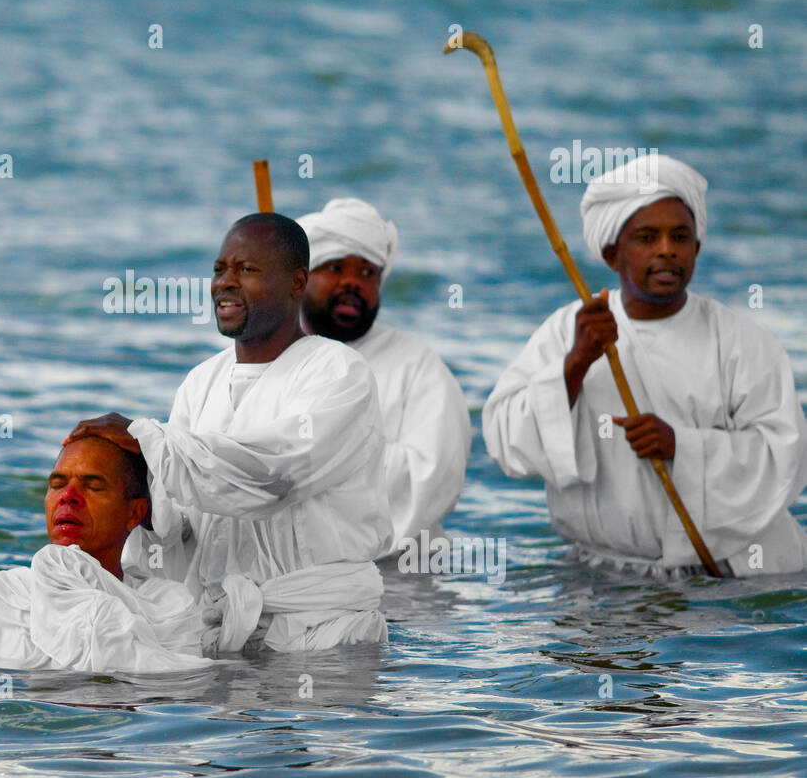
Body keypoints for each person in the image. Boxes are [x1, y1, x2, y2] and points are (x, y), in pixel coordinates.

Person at [66, 213, 393, 653]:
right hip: (223, 633)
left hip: (324, 635)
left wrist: (146, 439)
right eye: (220, 269)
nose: (225, 282)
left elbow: (273, 477)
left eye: (247, 270)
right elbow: (183, 517)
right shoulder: (201, 382)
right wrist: (130, 502)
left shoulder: (339, 373)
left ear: (297, 283)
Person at [483, 154, 807, 578]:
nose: (667, 250)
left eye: (680, 236)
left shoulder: (742, 341)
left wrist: (682, 447)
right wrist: (576, 363)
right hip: (602, 578)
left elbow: (786, 457)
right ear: (613, 254)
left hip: (729, 578)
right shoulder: (568, 329)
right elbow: (506, 442)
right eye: (647, 237)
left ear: (697, 247)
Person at [0, 435, 209, 673]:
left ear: (134, 512)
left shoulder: (171, 608)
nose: (68, 496)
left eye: (93, 486)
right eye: (57, 484)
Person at [298, 198, 471, 550]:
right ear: (300, 280)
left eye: (367, 273)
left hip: (403, 582)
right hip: (291, 582)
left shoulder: (418, 366)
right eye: (334, 268)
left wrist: (317, 451)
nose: (352, 283)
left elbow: (433, 479)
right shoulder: (264, 359)